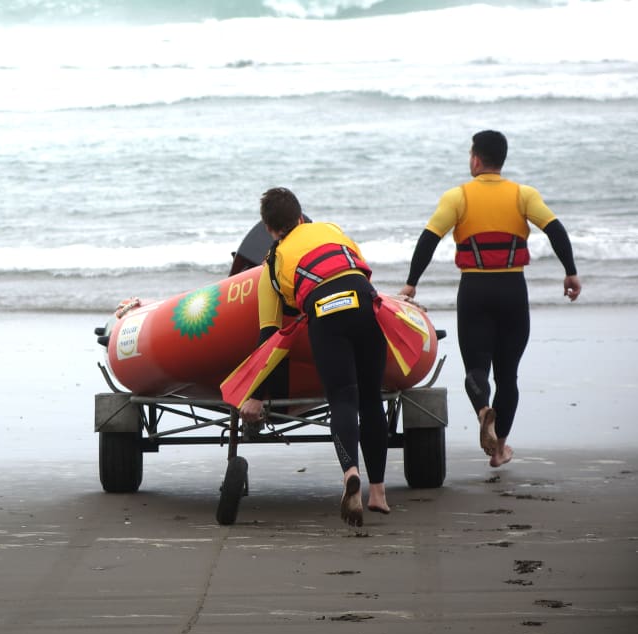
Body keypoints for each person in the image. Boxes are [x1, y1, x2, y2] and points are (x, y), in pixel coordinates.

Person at [399, 130, 581, 468]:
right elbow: (555, 229)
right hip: (513, 290)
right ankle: (499, 450)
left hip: (474, 291)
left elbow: (429, 238)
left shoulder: (458, 197)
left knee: (477, 368)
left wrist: (412, 283)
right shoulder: (523, 195)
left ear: (476, 159)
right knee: (508, 375)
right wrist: (570, 271)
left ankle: (484, 411)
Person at [239, 187, 390, 527]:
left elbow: (269, 337)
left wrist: (257, 395)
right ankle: (378, 492)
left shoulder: (272, 263)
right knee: (370, 400)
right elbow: (356, 269)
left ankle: (350, 471)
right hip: (366, 303)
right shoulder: (331, 230)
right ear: (300, 216)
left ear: (268, 229)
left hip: (326, 314)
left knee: (343, 399)